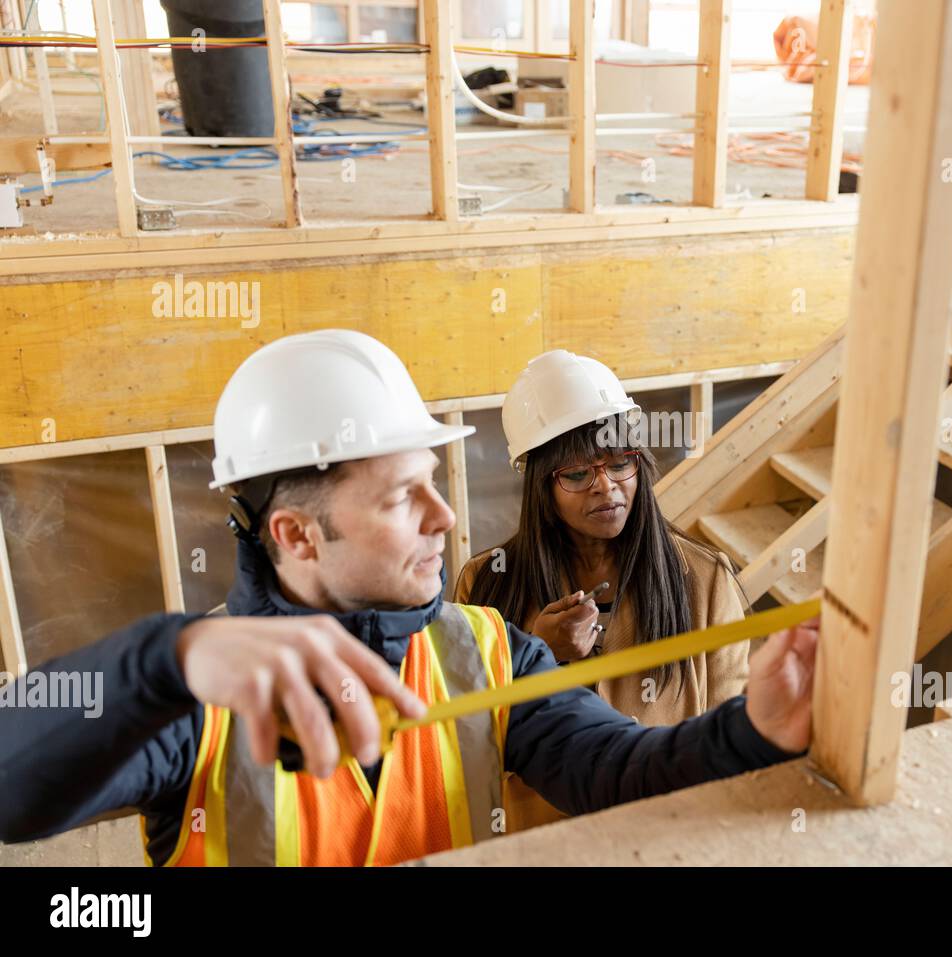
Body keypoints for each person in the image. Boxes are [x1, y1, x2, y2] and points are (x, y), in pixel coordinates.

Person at [0, 330, 818, 867]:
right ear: (296, 535)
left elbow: (619, 767)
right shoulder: (198, 699)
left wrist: (752, 732)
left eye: (434, 481)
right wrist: (162, 660)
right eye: (402, 498)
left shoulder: (493, 649)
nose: (447, 515)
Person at [456, 352, 753, 827]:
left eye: (620, 464)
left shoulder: (704, 579)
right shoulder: (488, 580)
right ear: (539, 485)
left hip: (663, 838)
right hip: (537, 848)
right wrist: (533, 651)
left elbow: (727, 738)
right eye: (576, 474)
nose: (606, 486)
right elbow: (461, 740)